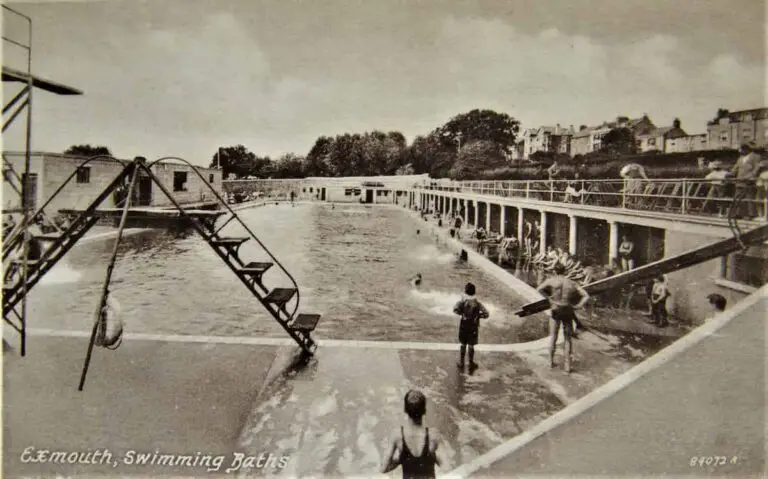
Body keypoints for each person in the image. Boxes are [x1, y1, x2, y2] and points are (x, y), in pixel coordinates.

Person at [537, 263, 589, 373]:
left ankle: (550, 362)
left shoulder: (552, 280)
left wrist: (549, 299)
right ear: (564, 271)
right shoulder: (571, 283)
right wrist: (577, 306)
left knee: (553, 337)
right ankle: (567, 366)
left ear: (555, 271)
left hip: (556, 309)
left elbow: (539, 288)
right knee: (567, 339)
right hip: (567, 310)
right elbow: (586, 296)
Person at [381, 389, 442, 478]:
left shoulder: (397, 435)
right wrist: (432, 457)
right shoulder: (433, 435)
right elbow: (448, 468)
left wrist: (401, 459)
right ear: (424, 410)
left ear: (405, 410)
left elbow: (384, 468)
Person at [453, 282, 489, 371]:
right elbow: (486, 314)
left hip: (464, 325)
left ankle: (461, 362)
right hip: (473, 326)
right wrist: (478, 316)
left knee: (463, 344)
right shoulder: (477, 303)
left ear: (465, 292)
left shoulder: (462, 302)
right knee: (471, 345)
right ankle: (471, 362)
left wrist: (462, 314)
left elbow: (455, 310)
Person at [731, 142, 761, 218]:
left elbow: (756, 170)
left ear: (746, 149)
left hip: (749, 181)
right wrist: (730, 173)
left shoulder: (756, 157)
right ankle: (738, 214)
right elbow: (735, 168)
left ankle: (751, 214)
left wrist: (748, 177)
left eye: (740, 149)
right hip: (739, 181)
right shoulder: (740, 158)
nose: (739, 151)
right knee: (737, 197)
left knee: (749, 198)